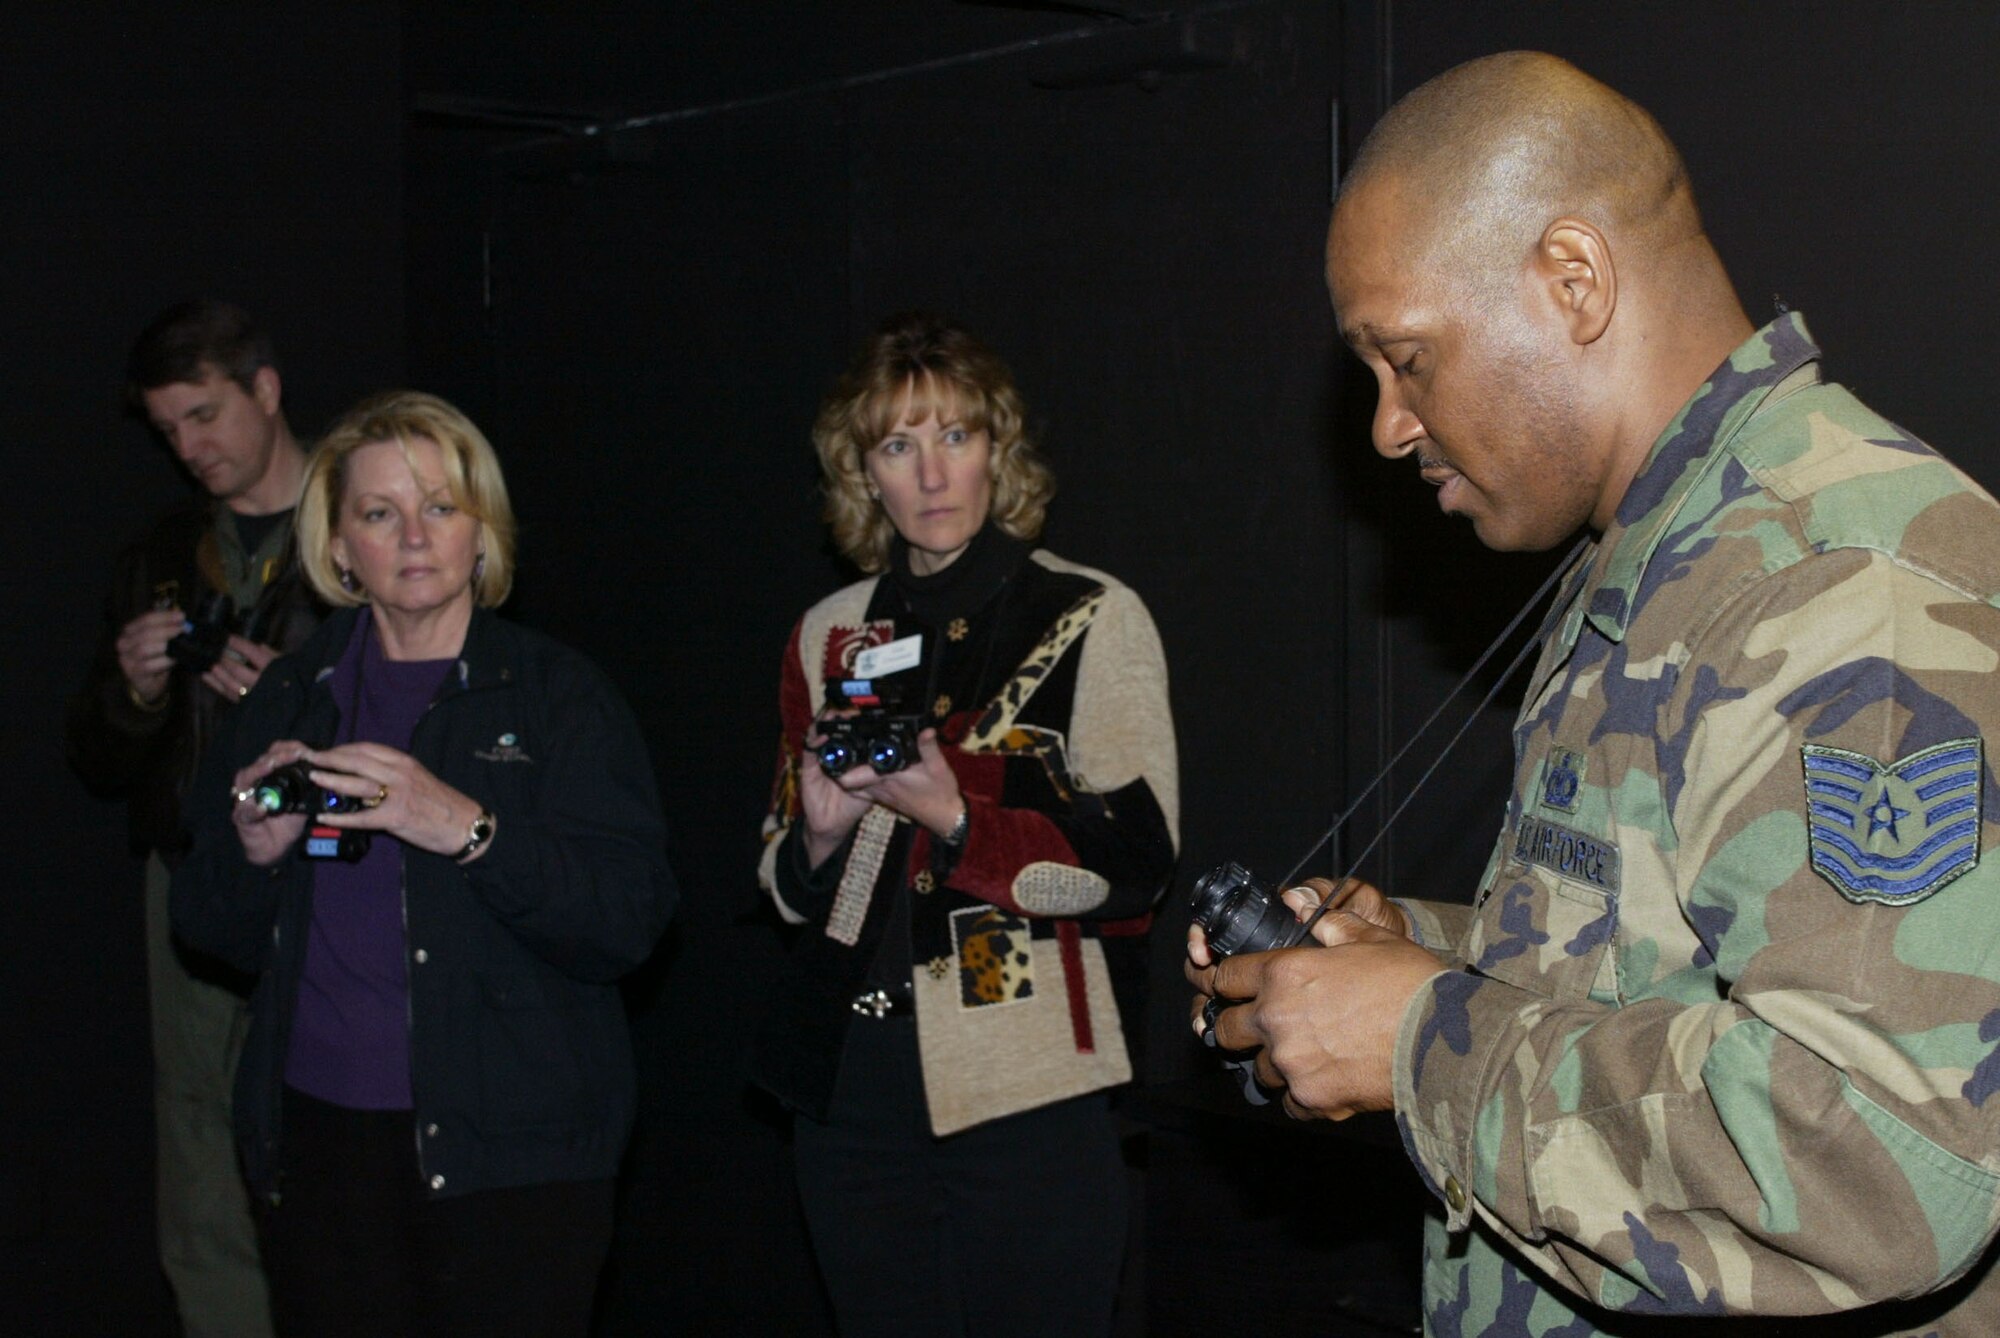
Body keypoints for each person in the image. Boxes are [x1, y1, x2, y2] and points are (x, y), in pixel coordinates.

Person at [1189, 51, 2000, 1336]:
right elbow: (1673, 970)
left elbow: (1880, 1157)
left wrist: (1420, 1039)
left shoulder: (1836, 587)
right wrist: (1407, 957)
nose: (1387, 428)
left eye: (1404, 359)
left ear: (1572, 280)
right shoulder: (1656, 557)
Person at [170, 390, 676, 1337]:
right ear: (339, 547)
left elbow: (629, 919)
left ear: (482, 532)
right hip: (318, 1144)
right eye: (379, 513)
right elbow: (205, 929)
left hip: (513, 1155)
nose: (413, 536)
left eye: (440, 506)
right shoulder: (291, 695)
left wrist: (467, 826)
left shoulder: (561, 695)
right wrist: (255, 855)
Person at [752, 312, 1178, 1335]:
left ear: (998, 450)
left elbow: (1134, 867)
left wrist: (953, 818)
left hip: (1022, 1082)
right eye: (899, 444)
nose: (932, 472)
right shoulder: (829, 633)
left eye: (955, 436)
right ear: (865, 474)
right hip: (850, 1091)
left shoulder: (1086, 612)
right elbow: (774, 876)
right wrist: (812, 839)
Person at [66, 298, 320, 1337]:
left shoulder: (371, 522)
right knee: (197, 1136)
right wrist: (134, 690)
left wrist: (301, 691)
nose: (190, 447)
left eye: (204, 415)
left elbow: (447, 697)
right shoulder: (162, 551)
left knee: (328, 1122)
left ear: (265, 389)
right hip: (189, 873)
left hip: (327, 869)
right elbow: (93, 756)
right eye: (170, 429)